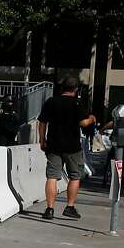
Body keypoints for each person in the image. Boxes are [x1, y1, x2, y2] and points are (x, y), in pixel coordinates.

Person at [36, 76, 96, 220]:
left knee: (52, 176)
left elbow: (42, 122)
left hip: (53, 145)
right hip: (72, 147)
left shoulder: (51, 102)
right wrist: (92, 118)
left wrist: (42, 140)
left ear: (62, 88)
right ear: (76, 89)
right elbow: (83, 123)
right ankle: (69, 207)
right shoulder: (77, 103)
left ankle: (49, 209)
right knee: (75, 176)